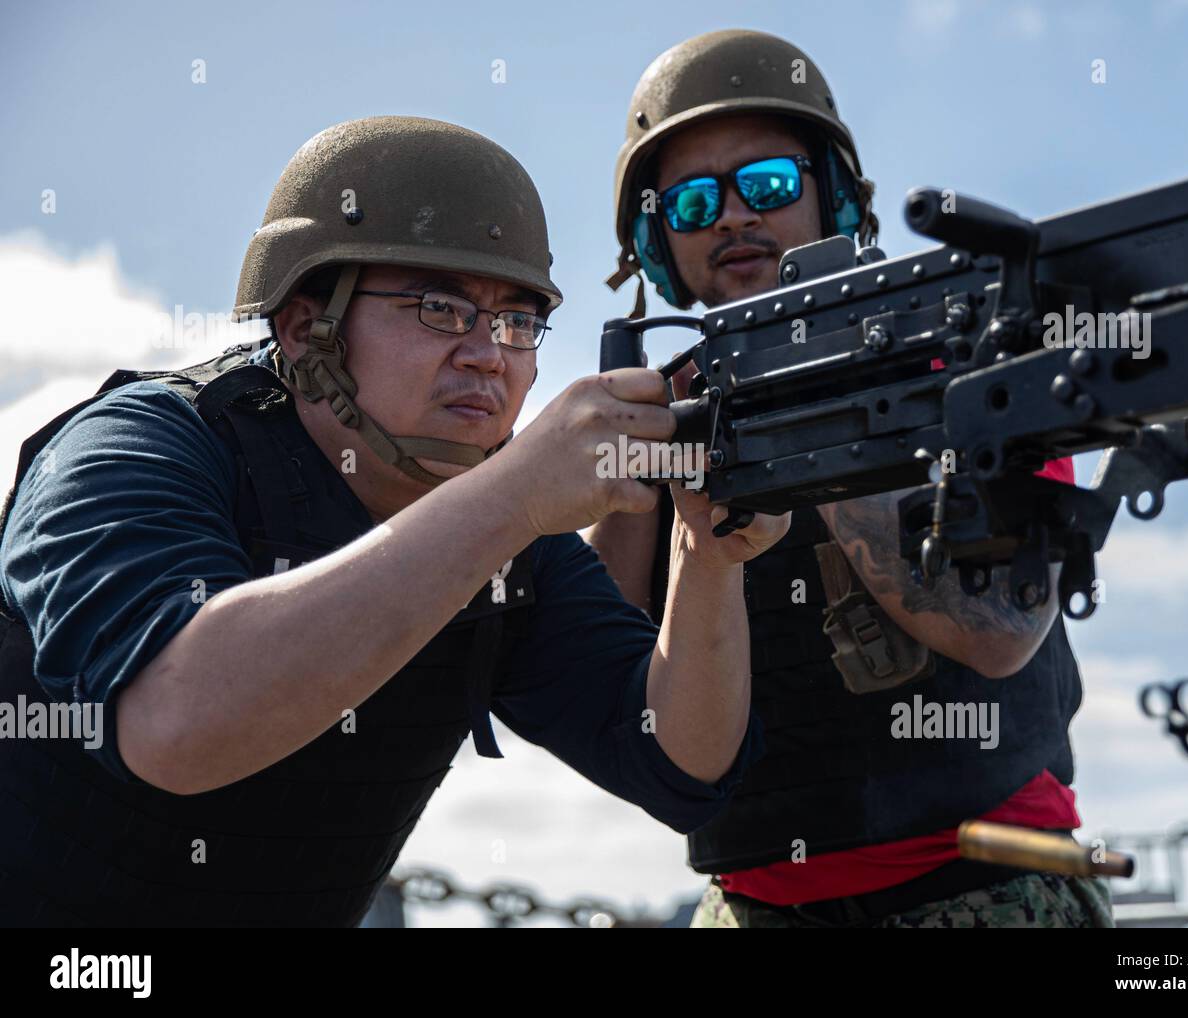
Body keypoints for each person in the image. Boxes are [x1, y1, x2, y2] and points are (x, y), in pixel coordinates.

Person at [0, 115, 787, 927]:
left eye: (517, 323)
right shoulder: (135, 447)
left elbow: (680, 766)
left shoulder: (510, 534)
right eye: (442, 309)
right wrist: (513, 499)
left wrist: (707, 549)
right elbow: (172, 721)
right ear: (308, 329)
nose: (489, 354)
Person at [590, 30, 1113, 928]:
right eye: (691, 203)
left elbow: (998, 636)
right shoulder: (658, 418)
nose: (731, 219)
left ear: (831, 194)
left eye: (767, 185)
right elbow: (605, 678)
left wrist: (803, 404)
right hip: (748, 905)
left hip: (985, 895)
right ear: (654, 238)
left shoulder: (969, 358)